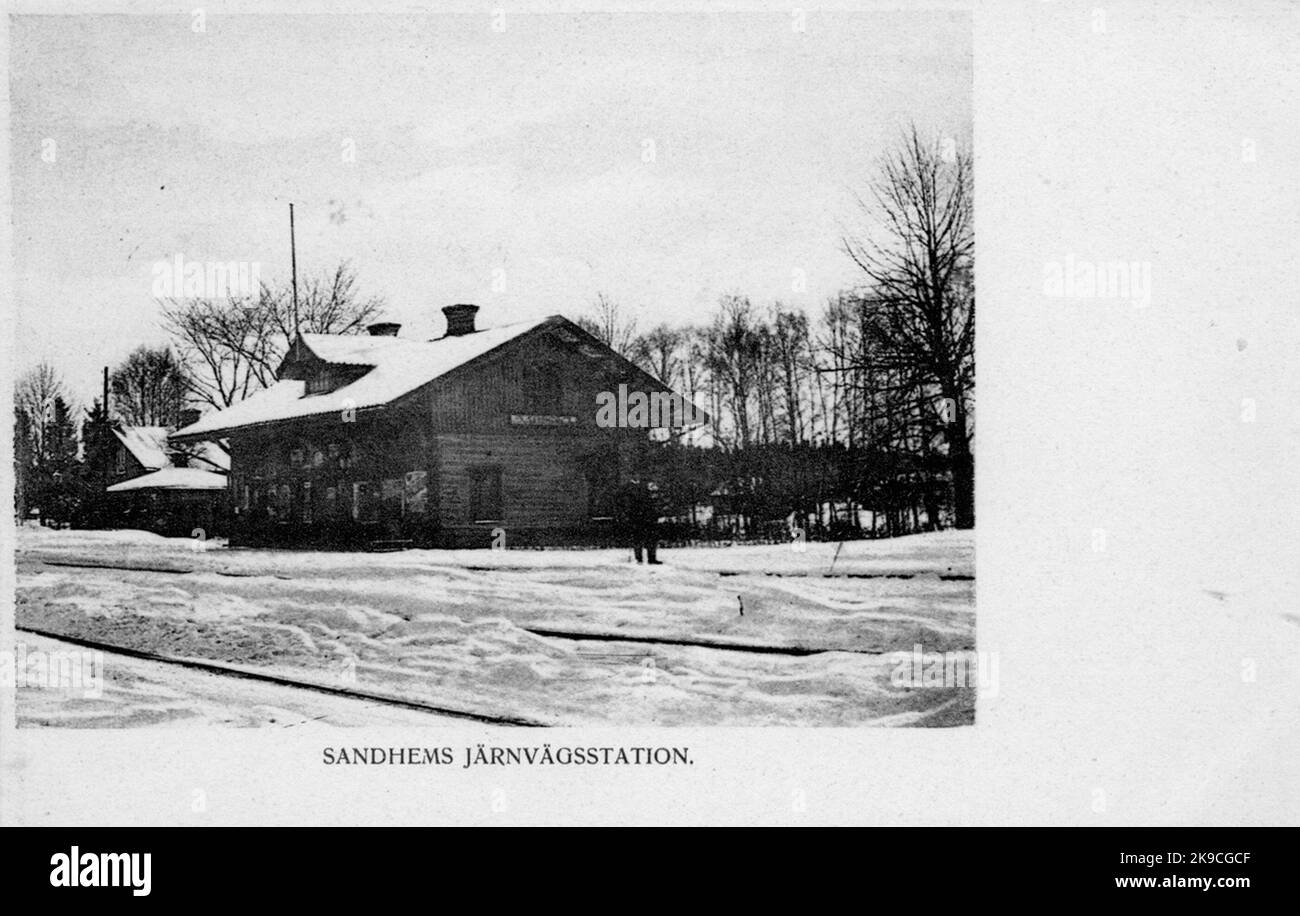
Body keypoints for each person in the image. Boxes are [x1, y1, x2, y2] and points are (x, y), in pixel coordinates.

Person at [614, 475, 661, 564]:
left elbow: (654, 497)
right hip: (635, 516)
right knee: (638, 537)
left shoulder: (646, 485)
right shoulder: (627, 487)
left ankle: (652, 558)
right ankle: (638, 558)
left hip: (648, 515)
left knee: (651, 537)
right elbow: (621, 501)